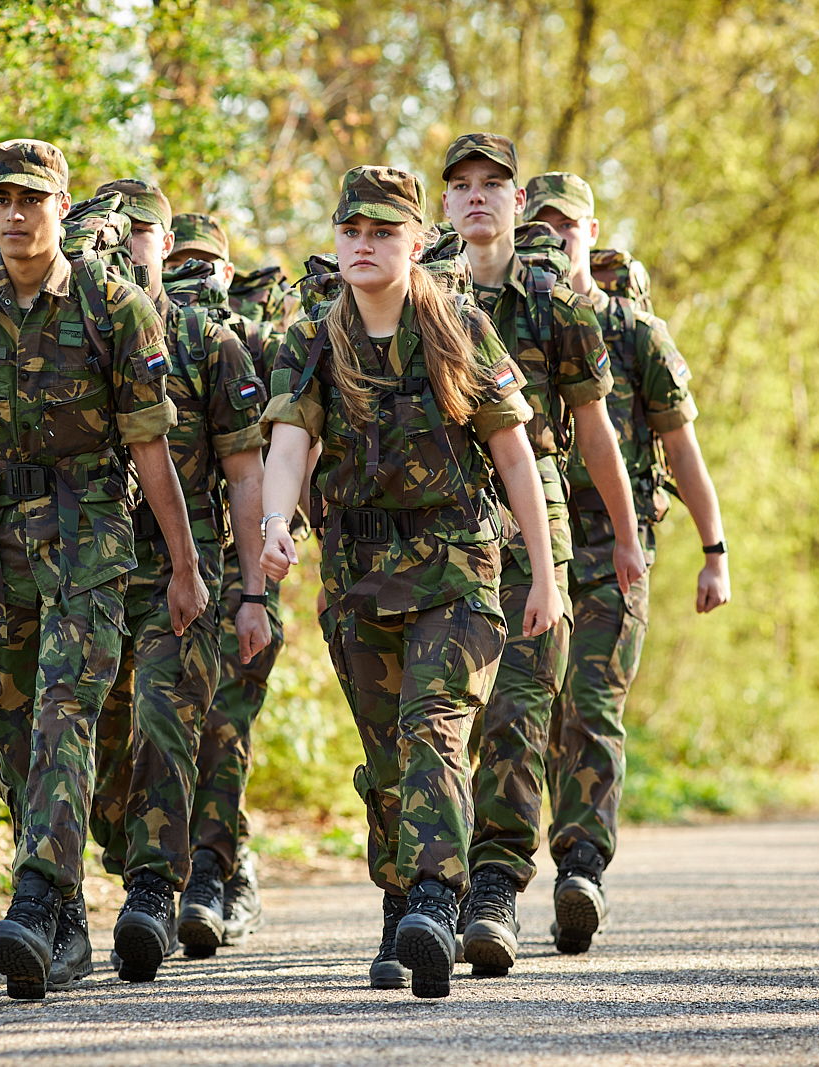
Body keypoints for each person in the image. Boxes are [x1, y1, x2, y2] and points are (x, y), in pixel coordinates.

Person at [0, 140, 207, 1001]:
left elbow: (150, 448)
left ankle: (35, 897)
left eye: (31, 200)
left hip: (90, 524)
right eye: (1, 201)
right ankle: (66, 925)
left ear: (64, 208)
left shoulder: (116, 306)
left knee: (66, 706)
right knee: (9, 712)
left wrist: (183, 564)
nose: (15, 215)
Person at [258, 165, 559, 999]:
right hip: (358, 579)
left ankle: (435, 896)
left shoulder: (459, 328)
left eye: (384, 232)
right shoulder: (311, 340)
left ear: (418, 242)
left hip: (457, 569)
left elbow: (514, 455)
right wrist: (274, 526)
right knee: (387, 758)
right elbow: (287, 447)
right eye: (352, 231)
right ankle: (401, 903)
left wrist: (544, 573)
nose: (364, 245)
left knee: (435, 729)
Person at [436, 133, 645, 977]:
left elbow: (596, 434)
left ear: (518, 204)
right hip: (441, 533)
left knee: (523, 709)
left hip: (536, 529)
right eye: (462, 186)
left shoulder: (562, 304)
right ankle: (424, 887)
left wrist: (627, 536)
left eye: (495, 185)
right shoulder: (421, 295)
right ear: (445, 204)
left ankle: (496, 885)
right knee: (450, 722)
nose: (478, 197)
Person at [525, 170, 732, 954]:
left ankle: (581, 866)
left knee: (592, 705)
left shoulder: (636, 333)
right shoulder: (511, 321)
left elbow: (683, 448)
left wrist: (714, 551)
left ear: (589, 232)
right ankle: (497, 873)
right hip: (522, 548)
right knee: (526, 711)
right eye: (537, 227)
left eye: (565, 227)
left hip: (616, 552)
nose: (552, 239)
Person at [84, 181, 270, 980]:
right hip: (87, 576)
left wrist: (252, 584)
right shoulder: (76, 331)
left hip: (185, 578)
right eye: (115, 231)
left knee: (177, 727)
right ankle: (137, 864)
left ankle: (162, 890)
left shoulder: (208, 341)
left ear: (160, 245)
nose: (129, 244)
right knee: (101, 752)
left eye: (145, 233)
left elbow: (245, 471)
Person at [162, 211, 284, 948]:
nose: (198, 275)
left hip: (244, 563)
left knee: (225, 723)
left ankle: (211, 874)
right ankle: (205, 859)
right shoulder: (157, 338)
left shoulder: (260, 347)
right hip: (166, 563)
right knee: (161, 734)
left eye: (211, 263)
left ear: (229, 274)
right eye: (188, 258)